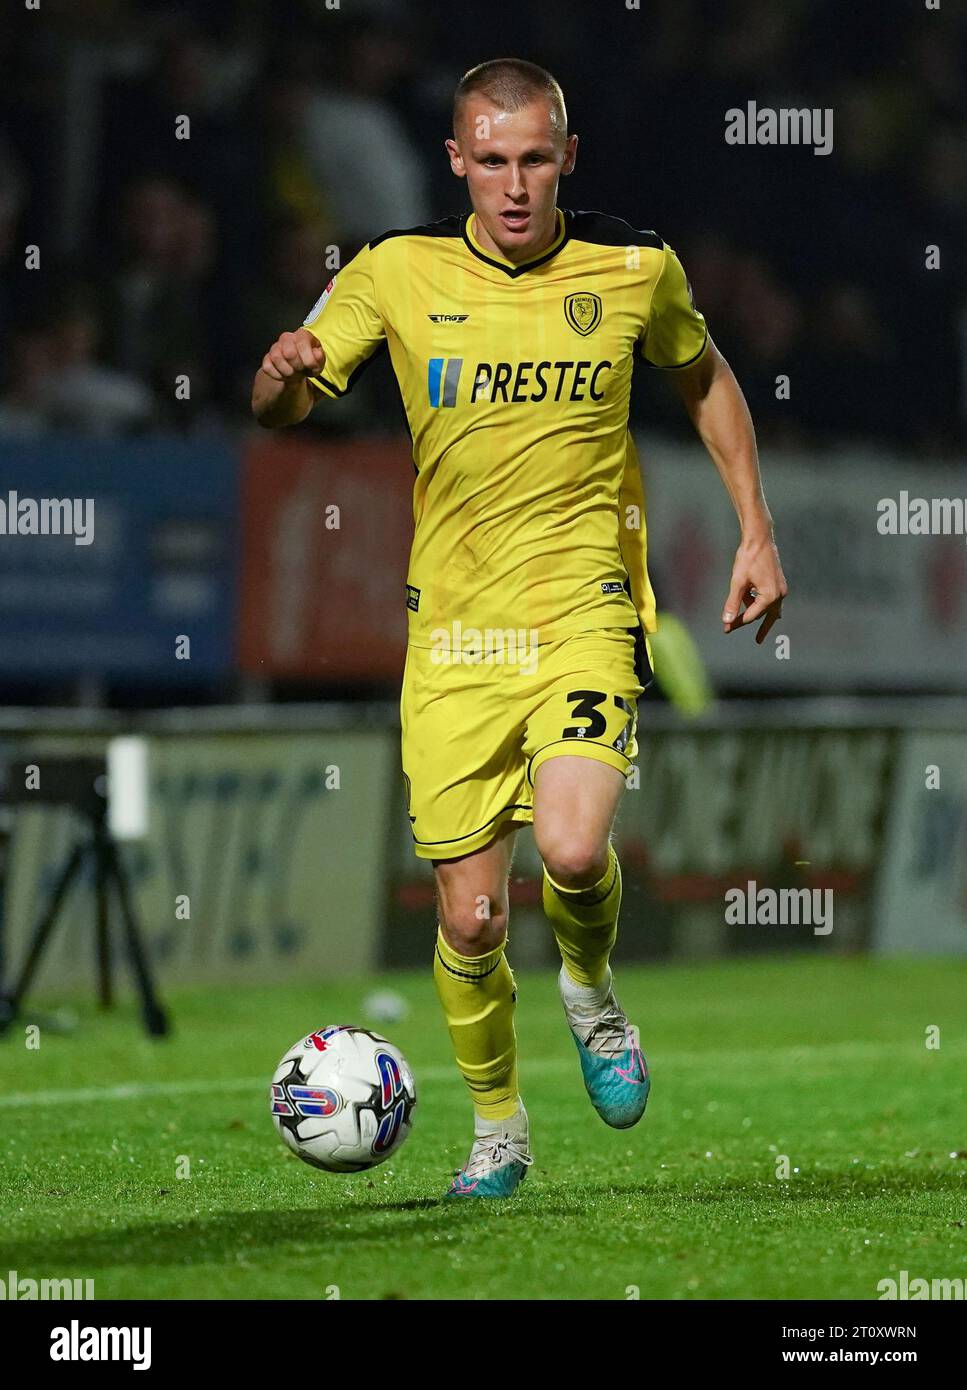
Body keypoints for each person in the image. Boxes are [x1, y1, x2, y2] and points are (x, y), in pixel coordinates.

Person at [252, 58, 787, 1198]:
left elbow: (703, 375)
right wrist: (284, 376)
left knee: (576, 849)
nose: (512, 184)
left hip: (584, 607)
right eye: (489, 161)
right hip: (450, 636)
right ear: (455, 161)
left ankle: (590, 994)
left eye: (533, 159)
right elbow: (288, 399)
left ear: (567, 159)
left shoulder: (633, 266)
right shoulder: (395, 271)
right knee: (474, 916)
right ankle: (499, 1131)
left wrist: (755, 529)